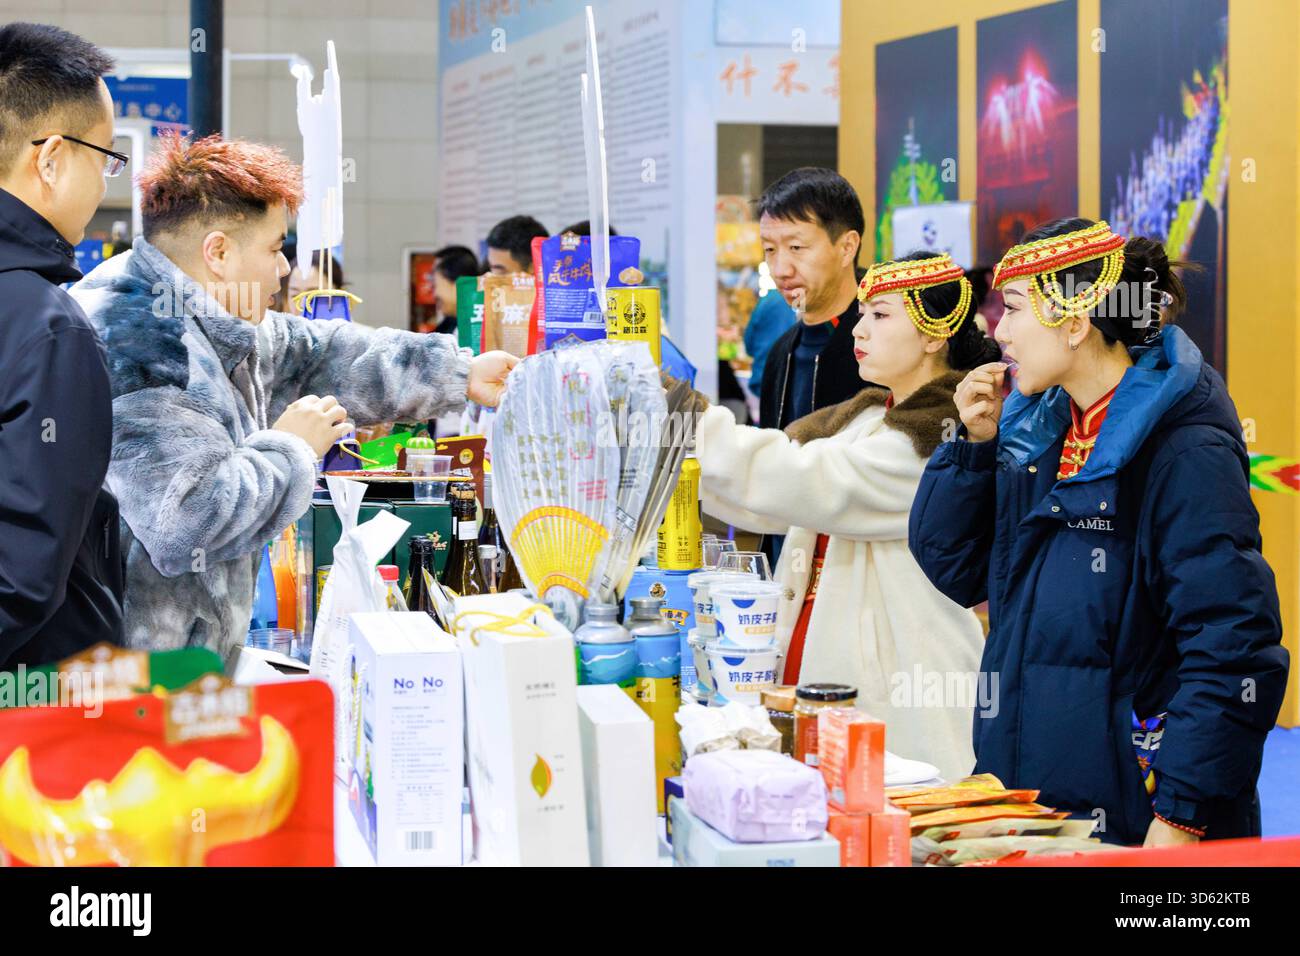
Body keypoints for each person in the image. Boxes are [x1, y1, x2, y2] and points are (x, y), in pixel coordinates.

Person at [908, 218, 1289, 845]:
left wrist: (1179, 814)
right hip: (1033, 795)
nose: (997, 330)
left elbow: (1234, 643)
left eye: (1016, 308)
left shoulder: (1184, 449)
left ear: (1076, 322)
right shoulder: (1040, 430)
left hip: (1140, 814)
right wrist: (974, 449)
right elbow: (959, 569)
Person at [70, 133, 517, 665]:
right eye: (274, 248)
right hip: (142, 680)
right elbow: (183, 521)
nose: (283, 269)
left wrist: (460, 372)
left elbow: (318, 351)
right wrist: (290, 448)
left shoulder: (211, 315)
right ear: (218, 252)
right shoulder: (140, 338)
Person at [678, 253, 997, 781]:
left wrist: (682, 418)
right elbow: (771, 496)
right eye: (863, 312)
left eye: (881, 314)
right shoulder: (867, 416)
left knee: (900, 827)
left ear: (934, 334)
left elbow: (807, 480)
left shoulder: (938, 435)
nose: (860, 328)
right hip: (820, 659)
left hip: (902, 677)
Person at [0, 23, 124, 668]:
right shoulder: (49, 328)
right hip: (36, 714)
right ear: (49, 159)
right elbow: (23, 578)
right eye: (104, 156)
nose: (106, 182)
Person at [742, 290, 796, 404]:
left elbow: (749, 341)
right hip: (788, 374)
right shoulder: (798, 302)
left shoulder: (766, 301)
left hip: (764, 372)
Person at [431, 243, 480, 335]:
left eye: (435, 285)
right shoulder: (446, 328)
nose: (434, 294)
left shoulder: (480, 331)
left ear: (459, 284)